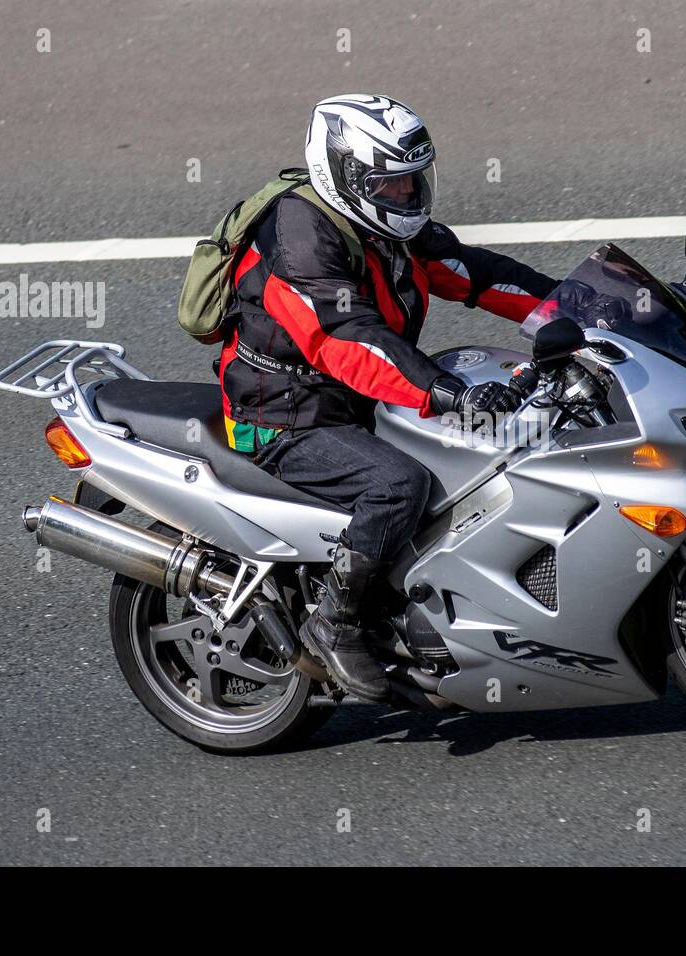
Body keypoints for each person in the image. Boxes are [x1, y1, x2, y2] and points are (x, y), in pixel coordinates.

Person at [217, 93, 558, 702]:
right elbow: (344, 337)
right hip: (283, 416)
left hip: (353, 399)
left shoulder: (382, 225)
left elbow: (473, 273)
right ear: (344, 177)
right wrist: (443, 391)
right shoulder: (299, 241)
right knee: (399, 485)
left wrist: (579, 309)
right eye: (390, 184)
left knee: (498, 448)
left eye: (412, 181)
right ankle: (336, 621)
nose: (406, 195)